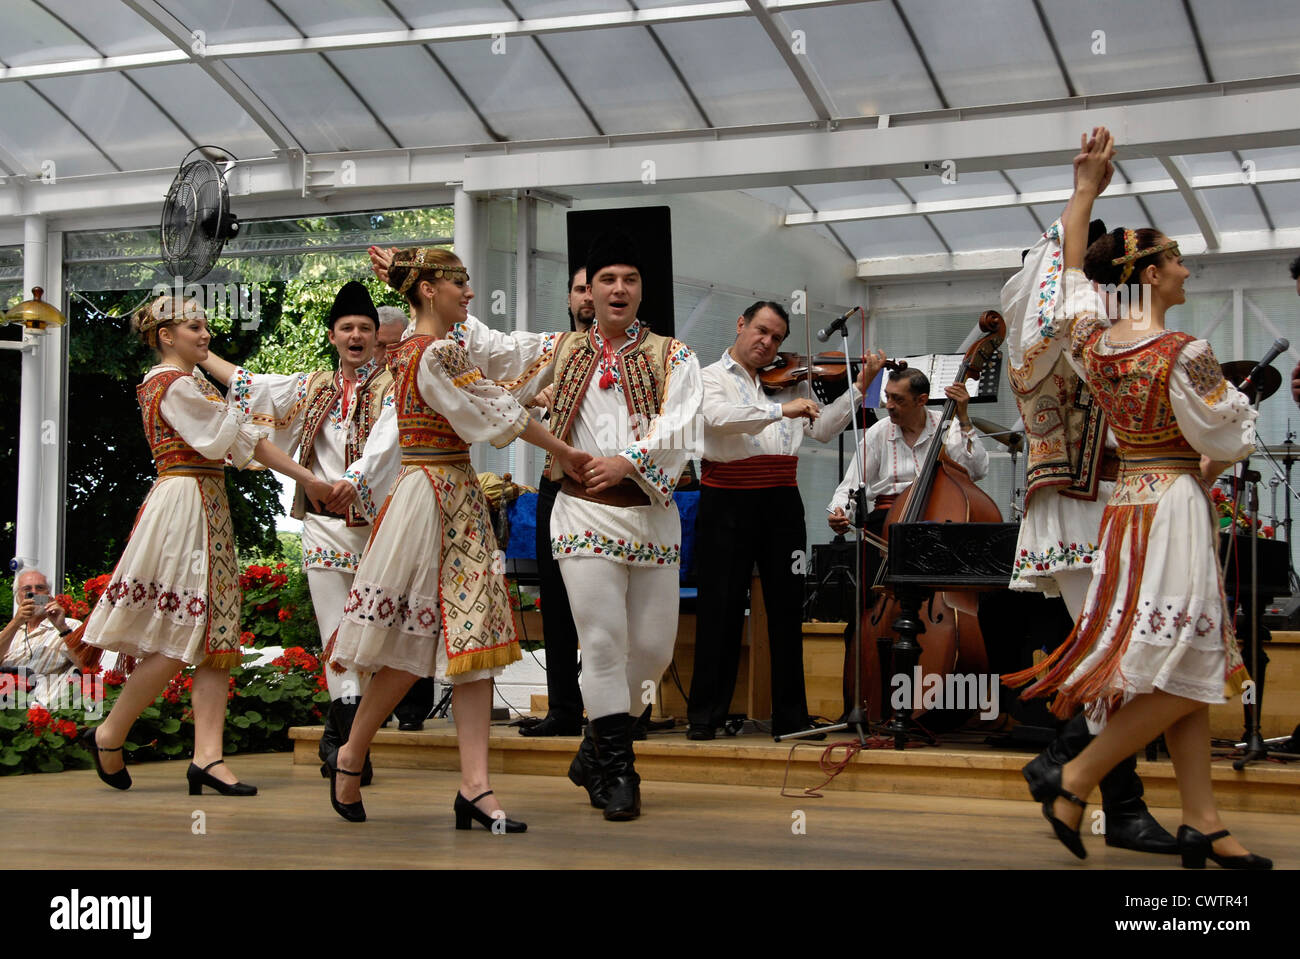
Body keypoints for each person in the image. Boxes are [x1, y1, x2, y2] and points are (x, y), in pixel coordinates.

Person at [1004, 126, 1270, 868]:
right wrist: (1221, 437)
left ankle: (1202, 818)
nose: (1185, 268)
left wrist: (1086, 190)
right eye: (1175, 259)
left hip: (1125, 503)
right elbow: (1232, 436)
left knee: (1173, 657)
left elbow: (1070, 282)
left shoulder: (1095, 341)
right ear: (1150, 276)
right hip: (1175, 505)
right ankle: (1076, 773)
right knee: (1200, 660)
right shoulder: (1182, 351)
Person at [326, 248, 591, 829]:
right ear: (427, 290)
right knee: (406, 644)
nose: (468, 293)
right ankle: (350, 752)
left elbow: (493, 400)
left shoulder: (428, 349)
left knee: (477, 640)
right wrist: (567, 451)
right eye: (458, 283)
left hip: (453, 489)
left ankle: (475, 786)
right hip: (430, 495)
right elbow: (494, 411)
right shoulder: (434, 351)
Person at [77, 295, 334, 796]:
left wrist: (310, 479)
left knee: (216, 639)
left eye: (205, 326)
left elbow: (241, 440)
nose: (205, 334)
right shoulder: (171, 384)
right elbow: (238, 439)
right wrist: (313, 480)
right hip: (184, 504)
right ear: (166, 336)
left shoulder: (191, 382)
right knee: (180, 636)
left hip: (205, 499)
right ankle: (110, 733)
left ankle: (208, 758)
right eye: (194, 327)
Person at [1002, 216, 1177, 855]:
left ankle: (1092, 782)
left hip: (1110, 498)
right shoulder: (1051, 317)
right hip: (1079, 502)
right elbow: (1050, 349)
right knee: (1117, 659)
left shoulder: (1098, 321)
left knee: (1121, 660)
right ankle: (1077, 771)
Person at [200, 281, 397, 783]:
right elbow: (248, 384)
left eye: (365, 329)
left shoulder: (395, 386)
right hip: (324, 527)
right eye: (347, 327)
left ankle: (342, 739)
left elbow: (385, 449)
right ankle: (354, 750)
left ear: (376, 338)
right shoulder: (310, 387)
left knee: (373, 638)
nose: (356, 335)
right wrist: (203, 354)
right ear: (333, 335)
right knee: (336, 634)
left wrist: (354, 482)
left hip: (381, 528)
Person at [541, 234, 702, 821]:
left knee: (655, 650)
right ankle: (617, 771)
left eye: (629, 280)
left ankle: (593, 748)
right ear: (587, 292)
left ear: (641, 290)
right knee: (604, 642)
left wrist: (629, 458)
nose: (617, 289)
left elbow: (684, 420)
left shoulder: (673, 355)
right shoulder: (557, 352)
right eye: (606, 279)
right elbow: (492, 358)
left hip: (653, 516)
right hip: (582, 512)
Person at [687, 301, 870, 740]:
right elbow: (718, 419)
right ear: (740, 324)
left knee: (788, 608)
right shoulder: (706, 377)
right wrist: (778, 411)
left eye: (776, 338)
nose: (767, 343)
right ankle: (705, 716)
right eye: (761, 331)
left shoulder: (789, 383)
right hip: (725, 501)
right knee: (721, 607)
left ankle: (792, 716)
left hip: (782, 503)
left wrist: (859, 388)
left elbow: (823, 428)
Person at [520, 264, 595, 738]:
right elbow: (507, 406)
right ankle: (564, 708)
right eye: (580, 289)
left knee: (608, 601)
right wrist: (539, 400)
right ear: (568, 298)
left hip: (612, 485)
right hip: (557, 481)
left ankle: (623, 712)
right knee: (556, 594)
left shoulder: (644, 350)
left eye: (596, 287)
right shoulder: (552, 350)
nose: (588, 297)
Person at [1, 569, 97, 682]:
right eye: (27, 589)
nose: (34, 593)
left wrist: (62, 628)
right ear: (17, 598)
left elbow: (88, 668)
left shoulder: (69, 625)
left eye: (40, 588)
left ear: (48, 595)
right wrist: (15, 623)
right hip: (8, 696)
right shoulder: (10, 632)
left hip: (44, 697)